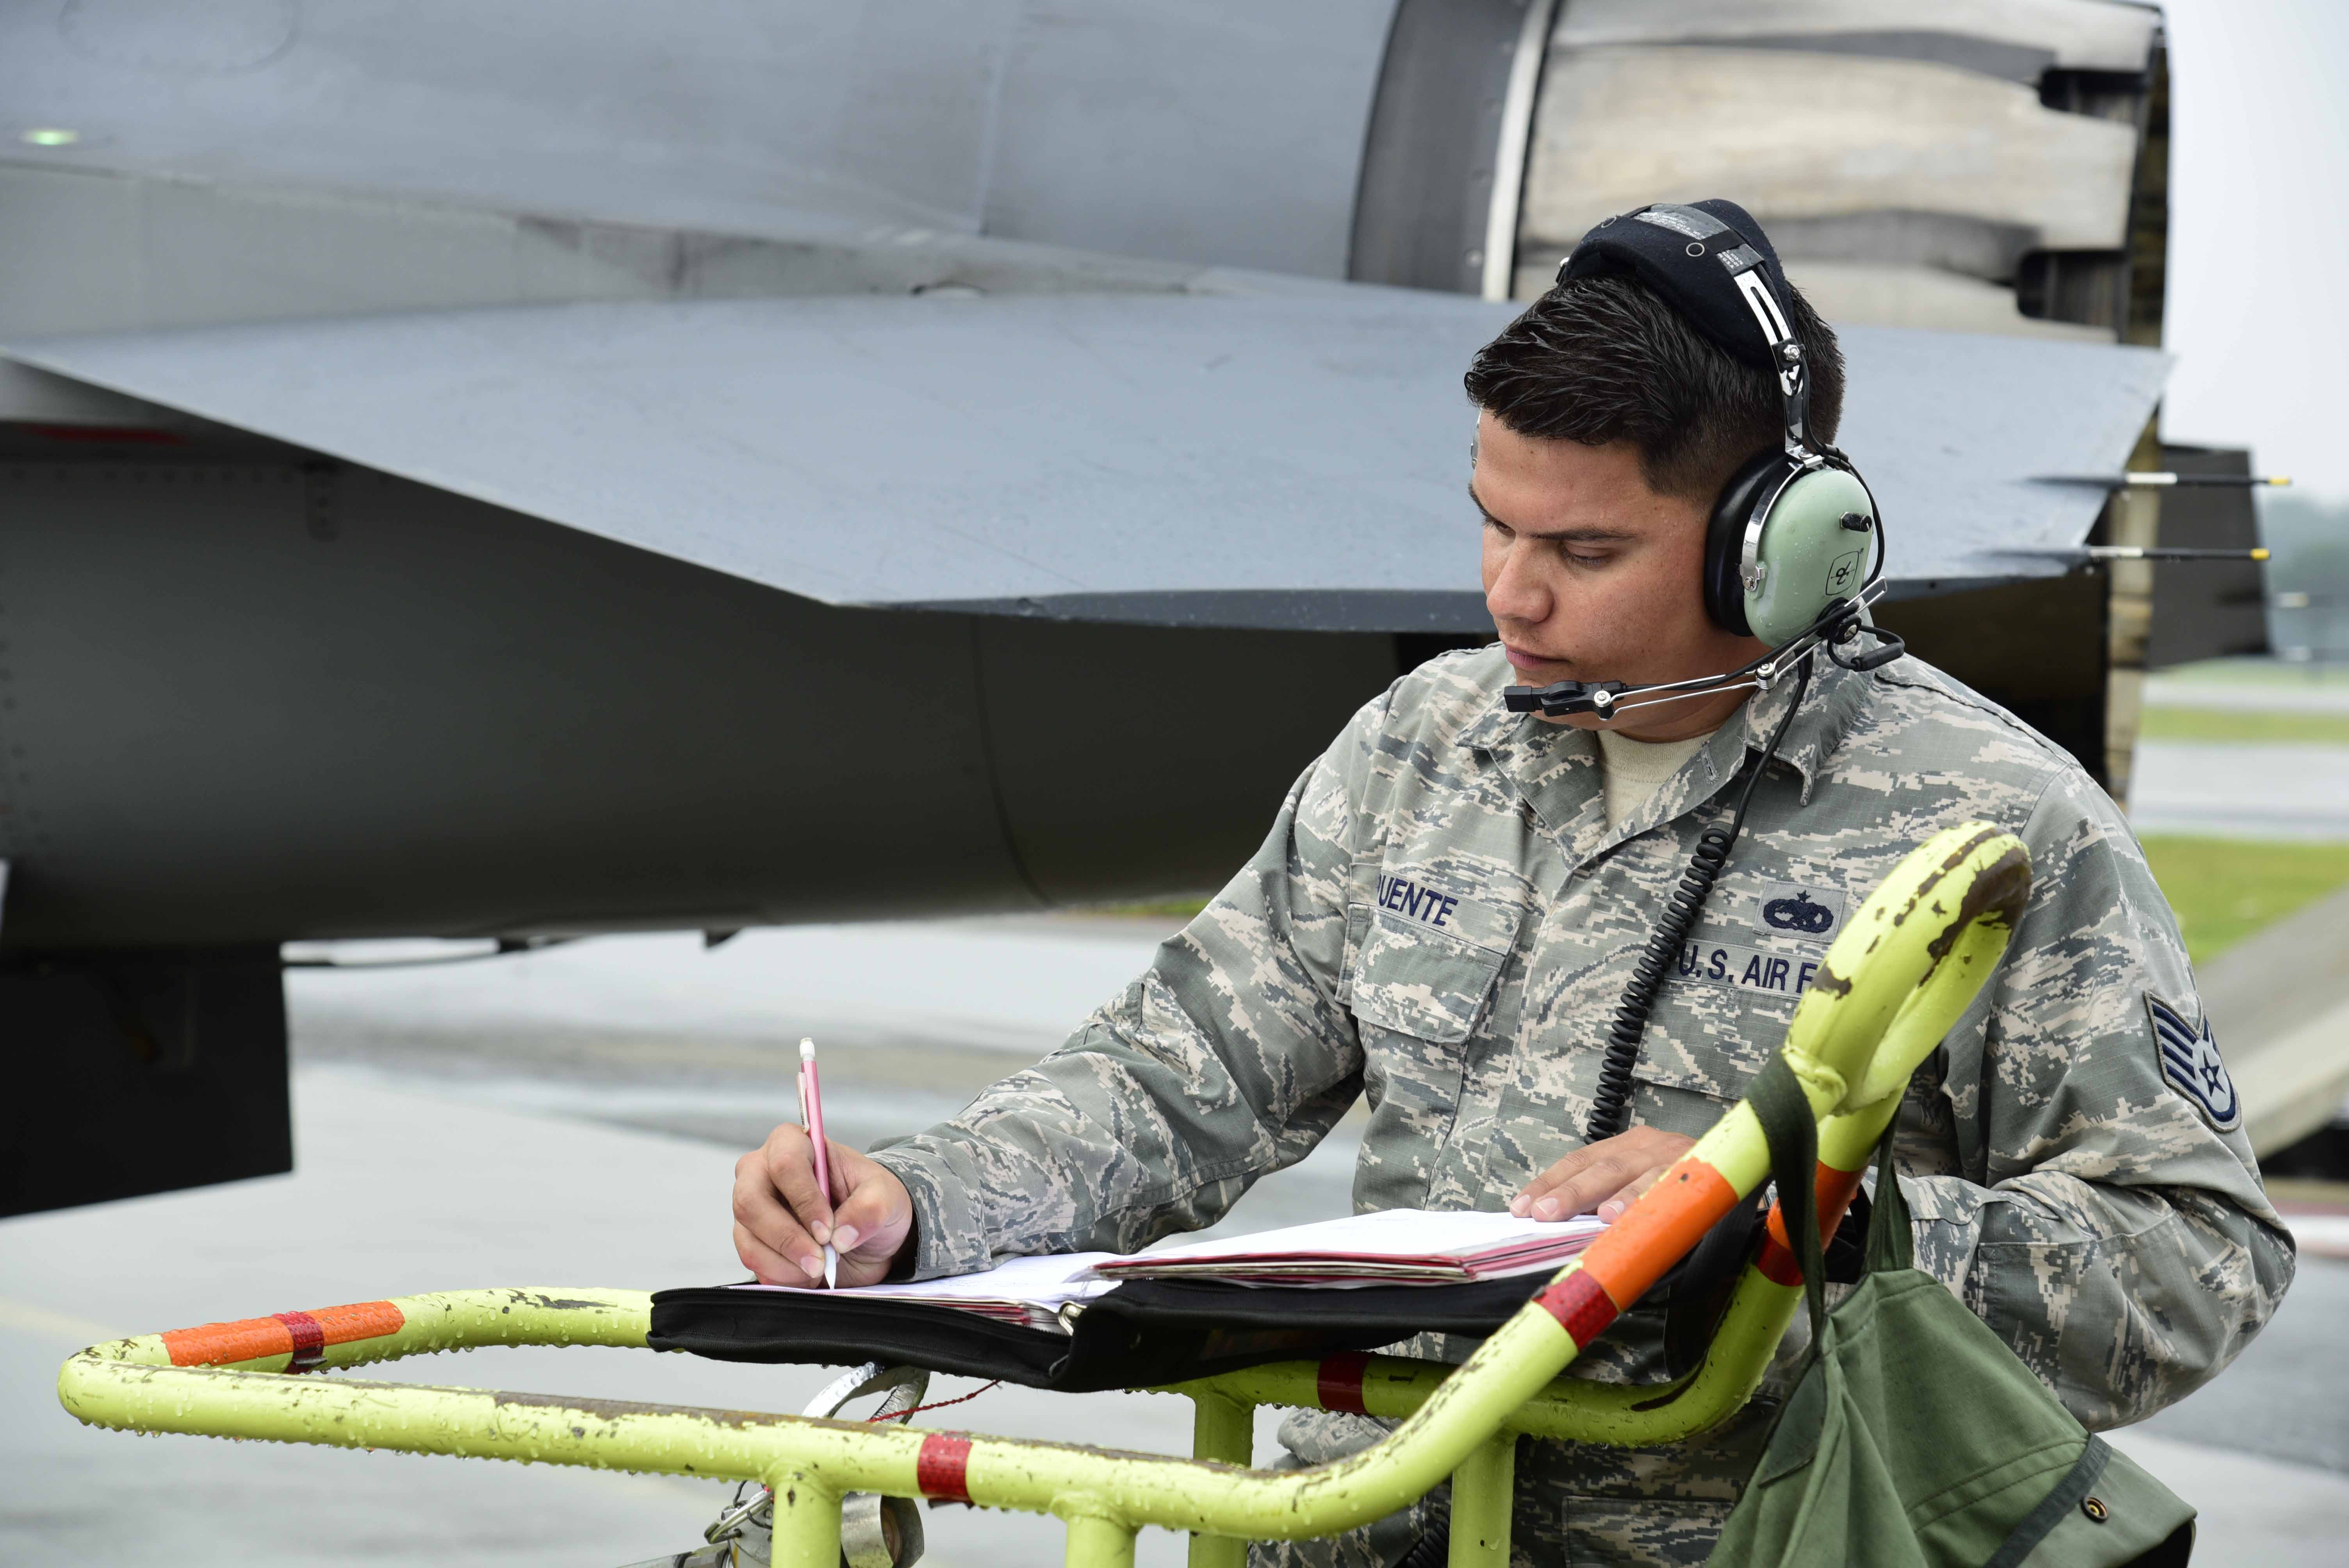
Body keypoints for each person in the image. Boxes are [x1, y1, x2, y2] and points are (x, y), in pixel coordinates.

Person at [730, 200, 2294, 1566]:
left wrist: (1801, 1233)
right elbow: (1174, 1075)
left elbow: (2198, 1257)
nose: (1510, 592)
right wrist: (918, 1206)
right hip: (1361, 1531)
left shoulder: (1995, 827)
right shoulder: (1425, 744)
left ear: (1779, 545)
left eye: (1587, 550)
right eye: (1492, 523)